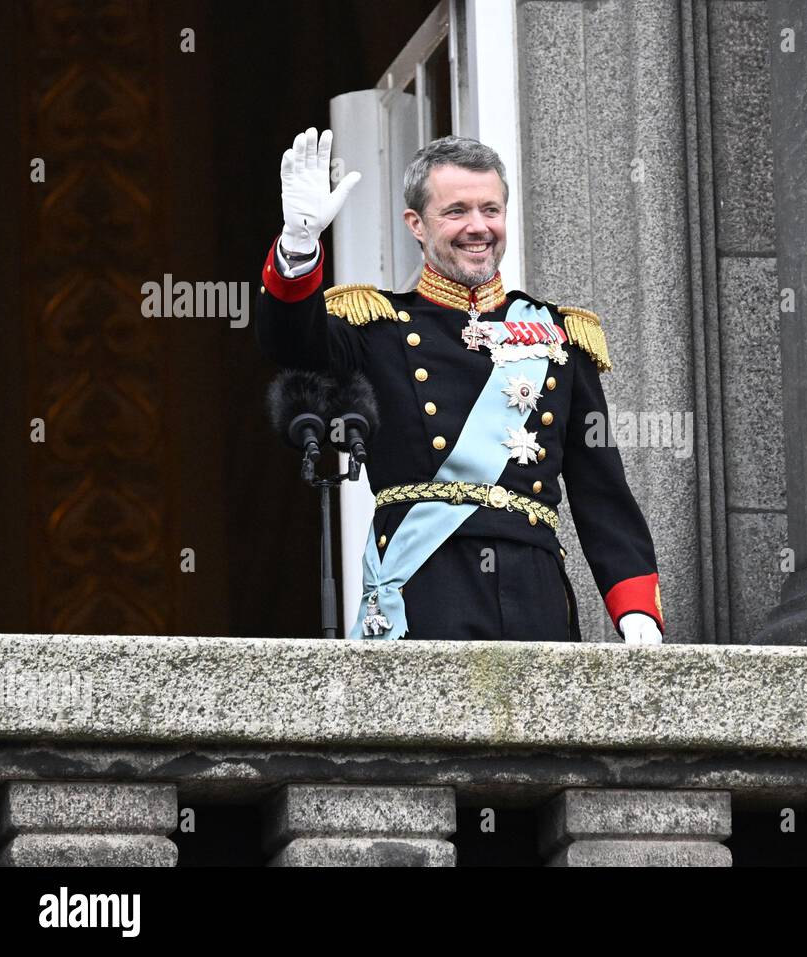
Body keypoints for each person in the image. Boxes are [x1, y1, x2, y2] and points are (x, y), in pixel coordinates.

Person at [255, 128, 664, 645]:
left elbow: (602, 491)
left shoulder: (559, 337)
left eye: (491, 210)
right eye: (456, 212)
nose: (478, 227)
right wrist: (298, 244)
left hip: (534, 592)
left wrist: (635, 611)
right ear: (417, 225)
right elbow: (289, 342)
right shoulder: (375, 327)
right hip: (424, 586)